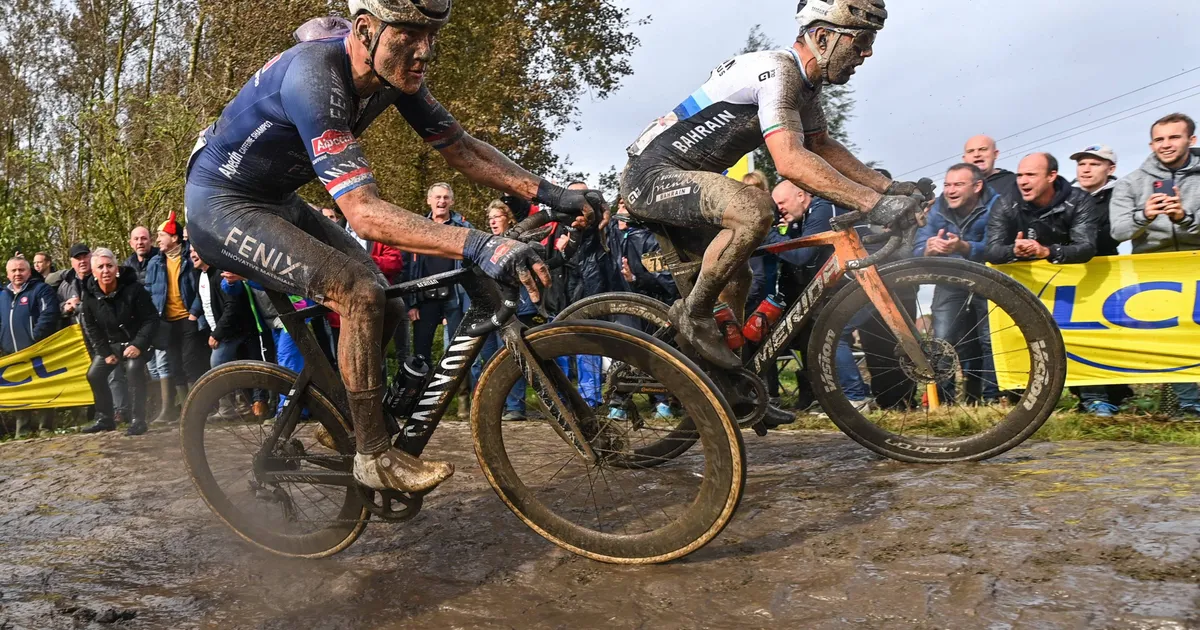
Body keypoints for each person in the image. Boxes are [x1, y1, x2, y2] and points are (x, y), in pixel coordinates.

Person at [182, 3, 602, 494]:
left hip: (275, 199)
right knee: (359, 291)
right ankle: (372, 454)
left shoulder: (393, 75)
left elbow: (461, 149)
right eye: (410, 36)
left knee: (393, 304)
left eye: (431, 36)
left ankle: (342, 416)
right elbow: (363, 212)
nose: (425, 52)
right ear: (365, 30)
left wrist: (549, 194)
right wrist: (479, 243)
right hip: (221, 207)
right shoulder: (316, 79)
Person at [620, 0, 926, 369]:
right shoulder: (778, 71)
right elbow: (791, 161)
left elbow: (820, 146)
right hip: (651, 177)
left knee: (738, 277)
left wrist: (887, 189)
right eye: (860, 41)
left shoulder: (805, 86)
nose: (867, 52)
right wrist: (872, 203)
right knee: (754, 208)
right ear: (824, 36)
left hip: (685, 177)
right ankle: (694, 312)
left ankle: (726, 383)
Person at [1109, 113, 1200, 418]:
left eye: (1174, 137)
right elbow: (1118, 232)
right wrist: (1144, 215)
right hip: (1155, 273)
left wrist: (1183, 218)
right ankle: (1190, 407)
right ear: (1150, 144)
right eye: (1159, 139)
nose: (1166, 144)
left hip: (1196, 268)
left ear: (1192, 140)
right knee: (1171, 339)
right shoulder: (1130, 183)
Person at [913, 163, 1005, 404]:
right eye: (947, 185)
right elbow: (917, 248)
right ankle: (942, 400)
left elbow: (999, 248)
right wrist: (928, 249)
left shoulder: (998, 204)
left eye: (958, 185)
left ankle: (993, 397)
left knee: (990, 339)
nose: (950, 190)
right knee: (943, 339)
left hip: (989, 278)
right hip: (950, 280)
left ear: (977, 186)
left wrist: (964, 247)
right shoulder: (937, 208)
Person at [78, 249, 158, 436]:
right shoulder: (89, 295)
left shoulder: (135, 289)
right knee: (94, 375)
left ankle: (138, 420)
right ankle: (105, 418)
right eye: (100, 267)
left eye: (109, 266)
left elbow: (151, 319)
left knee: (133, 369)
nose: (105, 271)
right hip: (112, 344)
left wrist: (138, 344)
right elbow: (91, 327)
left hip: (138, 341)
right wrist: (105, 353)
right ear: (93, 271)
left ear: (117, 268)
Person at [984, 153, 1100, 266]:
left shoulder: (1079, 200)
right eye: (1019, 175)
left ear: (1051, 176)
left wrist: (1047, 252)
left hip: (1067, 278)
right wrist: (1013, 251)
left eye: (1031, 175)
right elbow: (991, 250)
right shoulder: (1005, 203)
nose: (1023, 181)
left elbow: (1086, 247)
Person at [145, 211, 206, 424]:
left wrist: (194, 312)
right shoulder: (154, 263)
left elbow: (202, 286)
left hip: (188, 319)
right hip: (166, 323)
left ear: (174, 238)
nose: (158, 239)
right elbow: (150, 290)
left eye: (161, 235)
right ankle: (183, 412)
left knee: (191, 364)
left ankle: (197, 410)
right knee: (175, 365)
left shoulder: (191, 257)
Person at [1, 257, 60, 437]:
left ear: (28, 271)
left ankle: (45, 428)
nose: (18, 273)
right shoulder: (2, 295)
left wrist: (36, 336)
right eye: (14, 271)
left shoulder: (40, 290)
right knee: (20, 390)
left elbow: (49, 313)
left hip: (39, 350)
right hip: (13, 354)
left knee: (44, 388)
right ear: (8, 273)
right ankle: (23, 431)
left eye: (21, 270)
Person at [1071, 145, 1122, 257]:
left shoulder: (1121, 197)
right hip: (1061, 267)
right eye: (1081, 164)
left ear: (1111, 169)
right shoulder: (1062, 196)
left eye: (1094, 164)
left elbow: (1112, 237)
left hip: (1104, 267)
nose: (1086, 170)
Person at [963, 135, 1017, 199]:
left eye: (983, 149)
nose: (976, 154)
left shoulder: (1014, 183)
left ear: (995, 154)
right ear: (964, 159)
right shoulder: (955, 190)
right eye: (971, 151)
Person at [53, 243, 93, 327]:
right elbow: (56, 308)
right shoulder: (65, 285)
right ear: (72, 262)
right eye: (78, 258)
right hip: (76, 335)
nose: (82, 261)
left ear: (91, 258)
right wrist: (65, 307)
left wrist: (79, 305)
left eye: (85, 257)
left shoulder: (100, 279)